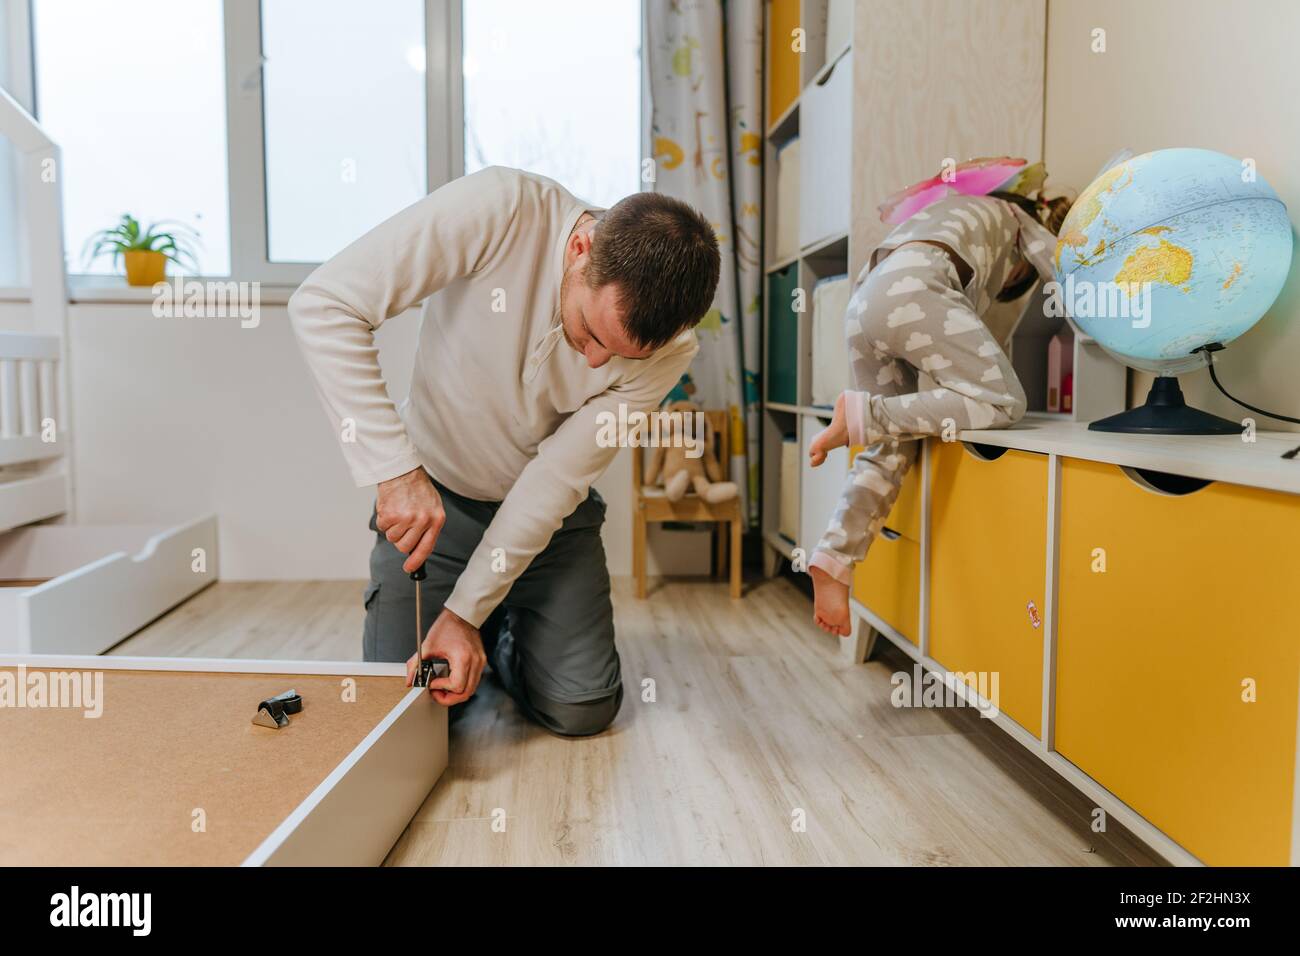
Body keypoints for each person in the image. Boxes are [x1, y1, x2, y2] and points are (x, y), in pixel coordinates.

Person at [289, 166, 720, 736]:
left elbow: (554, 480)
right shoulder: (501, 208)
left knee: (584, 709)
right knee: (406, 716)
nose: (594, 363)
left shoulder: (674, 349)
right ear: (580, 247)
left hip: (550, 524)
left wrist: (465, 614)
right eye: (591, 331)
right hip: (437, 507)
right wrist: (396, 472)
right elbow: (325, 305)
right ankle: (482, 625)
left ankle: (499, 631)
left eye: (619, 357)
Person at [805, 159, 1072, 637]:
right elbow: (1066, 272)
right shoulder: (1019, 220)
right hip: (914, 289)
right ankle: (863, 415)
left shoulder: (949, 212)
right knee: (1002, 401)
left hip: (865, 299)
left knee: (890, 441)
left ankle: (834, 558)